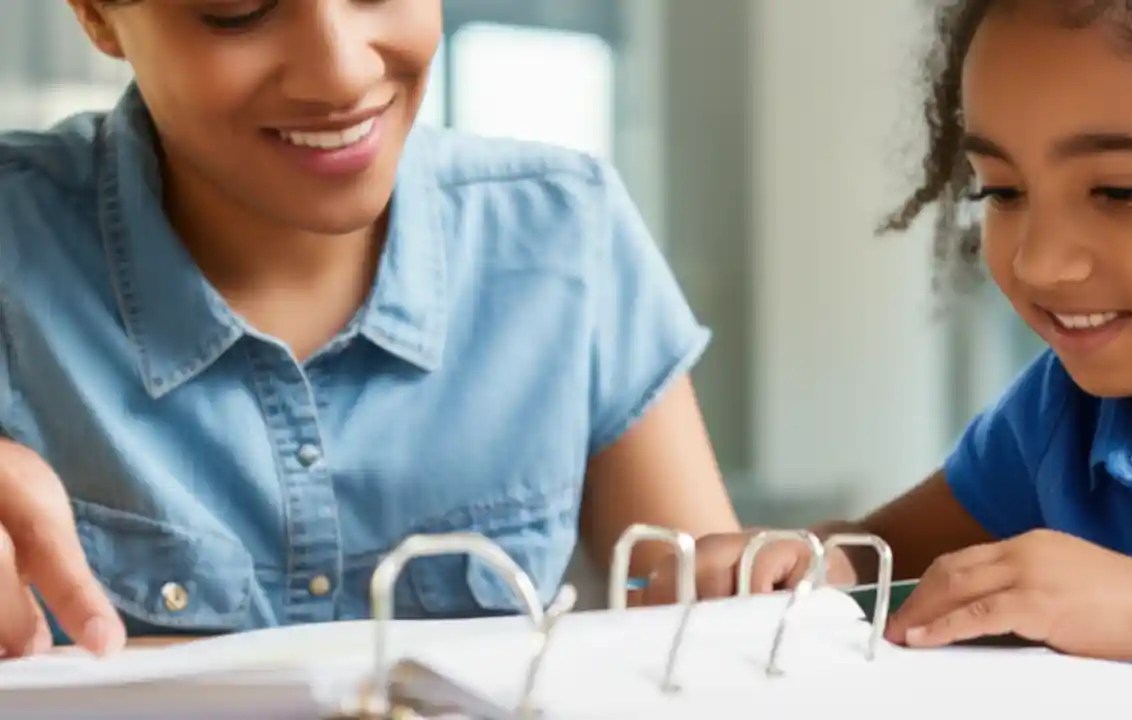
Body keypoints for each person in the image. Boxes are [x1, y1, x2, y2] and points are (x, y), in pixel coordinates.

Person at [0, 0, 740, 658]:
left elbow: (710, 633)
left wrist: (774, 589)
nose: (342, 73)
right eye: (238, 14)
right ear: (95, 14)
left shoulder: (566, 235)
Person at [646, 0, 1132, 661]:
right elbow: (876, 554)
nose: (1039, 261)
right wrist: (801, 561)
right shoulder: (1056, 417)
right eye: (1002, 191)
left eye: (1121, 191)